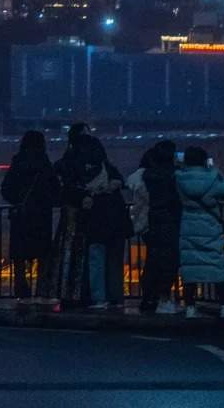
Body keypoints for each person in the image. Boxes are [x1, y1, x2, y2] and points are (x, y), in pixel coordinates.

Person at [175, 145, 224, 318]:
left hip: (188, 226)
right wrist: (215, 170)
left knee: (190, 268)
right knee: (217, 266)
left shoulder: (179, 178)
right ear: (204, 160)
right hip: (210, 226)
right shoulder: (212, 177)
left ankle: (190, 307)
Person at [53, 123, 106, 308]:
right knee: (89, 253)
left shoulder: (67, 160)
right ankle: (86, 293)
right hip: (91, 213)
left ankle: (67, 293)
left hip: (70, 212)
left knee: (68, 252)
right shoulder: (95, 158)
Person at [1, 130, 54, 301]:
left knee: (20, 257)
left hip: (21, 216)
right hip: (41, 216)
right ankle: (42, 290)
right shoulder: (45, 164)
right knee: (43, 255)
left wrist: (18, 201)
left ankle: (21, 291)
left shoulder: (18, 163)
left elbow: (6, 189)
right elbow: (54, 190)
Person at [137, 139, 181, 314]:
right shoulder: (173, 176)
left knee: (152, 260)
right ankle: (164, 298)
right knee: (169, 261)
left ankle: (148, 298)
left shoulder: (146, 176)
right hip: (169, 220)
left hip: (151, 221)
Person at [85, 158, 132, 310]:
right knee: (115, 263)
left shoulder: (90, 187)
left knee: (96, 262)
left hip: (97, 226)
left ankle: (99, 298)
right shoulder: (114, 182)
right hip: (117, 227)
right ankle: (117, 298)